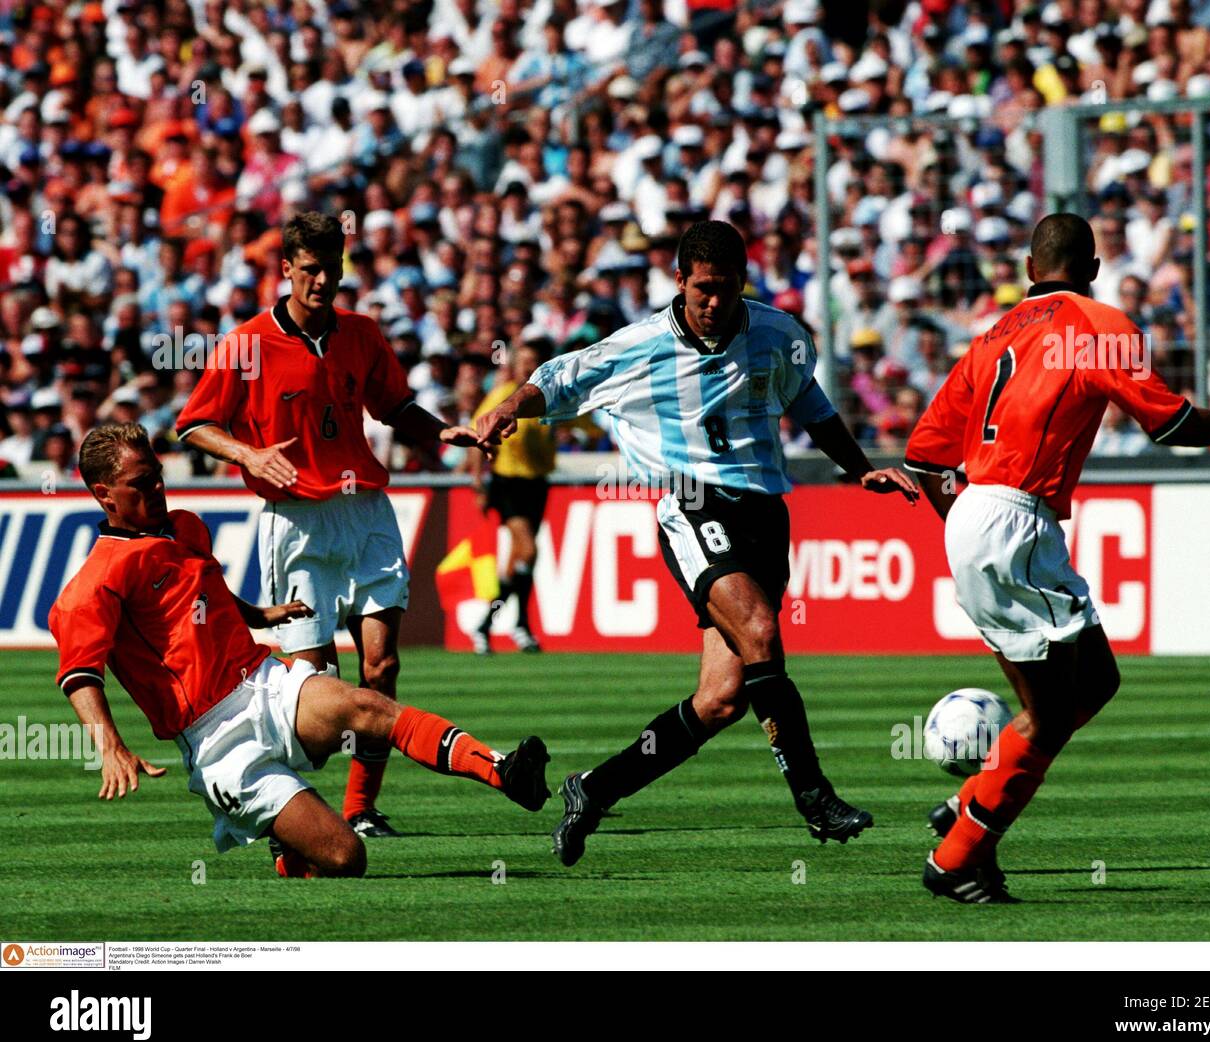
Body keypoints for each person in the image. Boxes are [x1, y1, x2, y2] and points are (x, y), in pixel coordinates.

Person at [476, 220, 919, 866]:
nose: (716, 303)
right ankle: (815, 798)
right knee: (763, 632)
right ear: (679, 281)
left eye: (728, 290)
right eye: (704, 290)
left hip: (765, 512)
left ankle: (592, 789)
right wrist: (506, 408)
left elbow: (810, 403)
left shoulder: (778, 335)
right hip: (690, 503)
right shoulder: (641, 346)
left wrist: (858, 469)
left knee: (720, 700)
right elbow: (562, 377)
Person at [904, 213, 1210, 904]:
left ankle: (974, 800)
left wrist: (968, 526)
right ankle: (958, 855)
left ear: (1030, 269)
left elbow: (922, 455)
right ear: (1091, 269)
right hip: (1015, 520)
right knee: (1055, 713)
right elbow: (1172, 423)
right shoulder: (1097, 324)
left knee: (1093, 684)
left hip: (977, 514)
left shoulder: (992, 335)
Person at [50, 424, 550, 878]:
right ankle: (290, 849)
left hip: (263, 684)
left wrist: (257, 615)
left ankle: (503, 770)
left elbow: (202, 590)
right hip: (218, 741)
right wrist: (109, 744)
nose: (157, 488)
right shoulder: (94, 584)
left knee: (369, 705)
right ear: (104, 495)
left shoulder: (185, 526)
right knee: (346, 858)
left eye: (157, 475)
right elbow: (79, 675)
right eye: (140, 483)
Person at [175, 212, 489, 839]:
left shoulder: (362, 334)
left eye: (332, 268)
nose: (322, 280)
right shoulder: (244, 346)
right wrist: (249, 454)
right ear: (285, 269)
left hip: (366, 511)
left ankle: (360, 809)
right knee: (317, 690)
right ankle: (300, 825)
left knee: (383, 667)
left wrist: (442, 432)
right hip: (296, 522)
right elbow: (191, 424)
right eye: (310, 269)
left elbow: (393, 404)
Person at [465, 340, 556, 654]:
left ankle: (491, 625)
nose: (530, 368)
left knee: (517, 562)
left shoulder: (549, 395)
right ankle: (520, 625)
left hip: (536, 483)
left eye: (535, 361)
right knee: (529, 551)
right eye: (525, 362)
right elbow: (480, 430)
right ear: (515, 365)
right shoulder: (504, 395)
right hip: (507, 482)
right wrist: (478, 483)